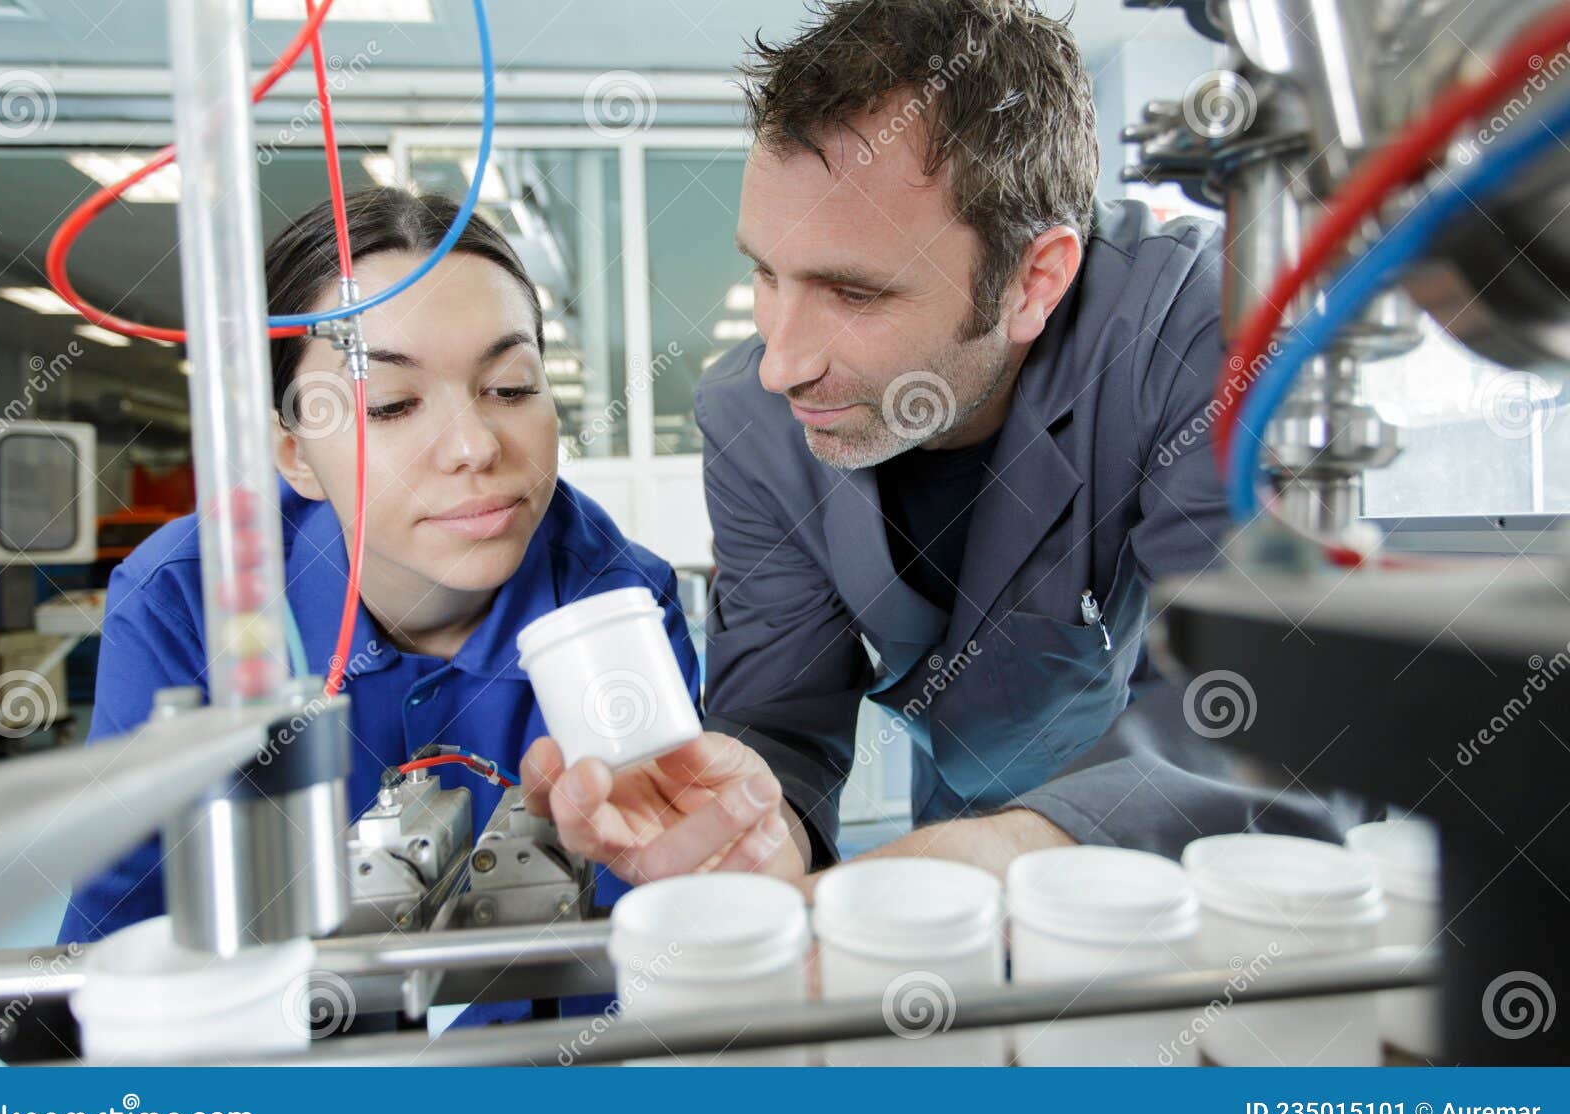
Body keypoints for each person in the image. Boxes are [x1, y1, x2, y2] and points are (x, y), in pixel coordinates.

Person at [521, 0, 1355, 887]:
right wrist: (749, 831)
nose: (781, 364)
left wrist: (1006, 852)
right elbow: (782, 723)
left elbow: (1279, 697)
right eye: (765, 272)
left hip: (1174, 831)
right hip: (957, 814)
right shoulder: (751, 419)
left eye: (853, 293)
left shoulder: (1197, 324)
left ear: (1037, 280)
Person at [58, 187, 789, 1024]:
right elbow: (100, 975)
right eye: (392, 405)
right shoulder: (185, 603)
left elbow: (643, 956)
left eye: (512, 386)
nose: (477, 446)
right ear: (293, 451)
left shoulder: (612, 601)